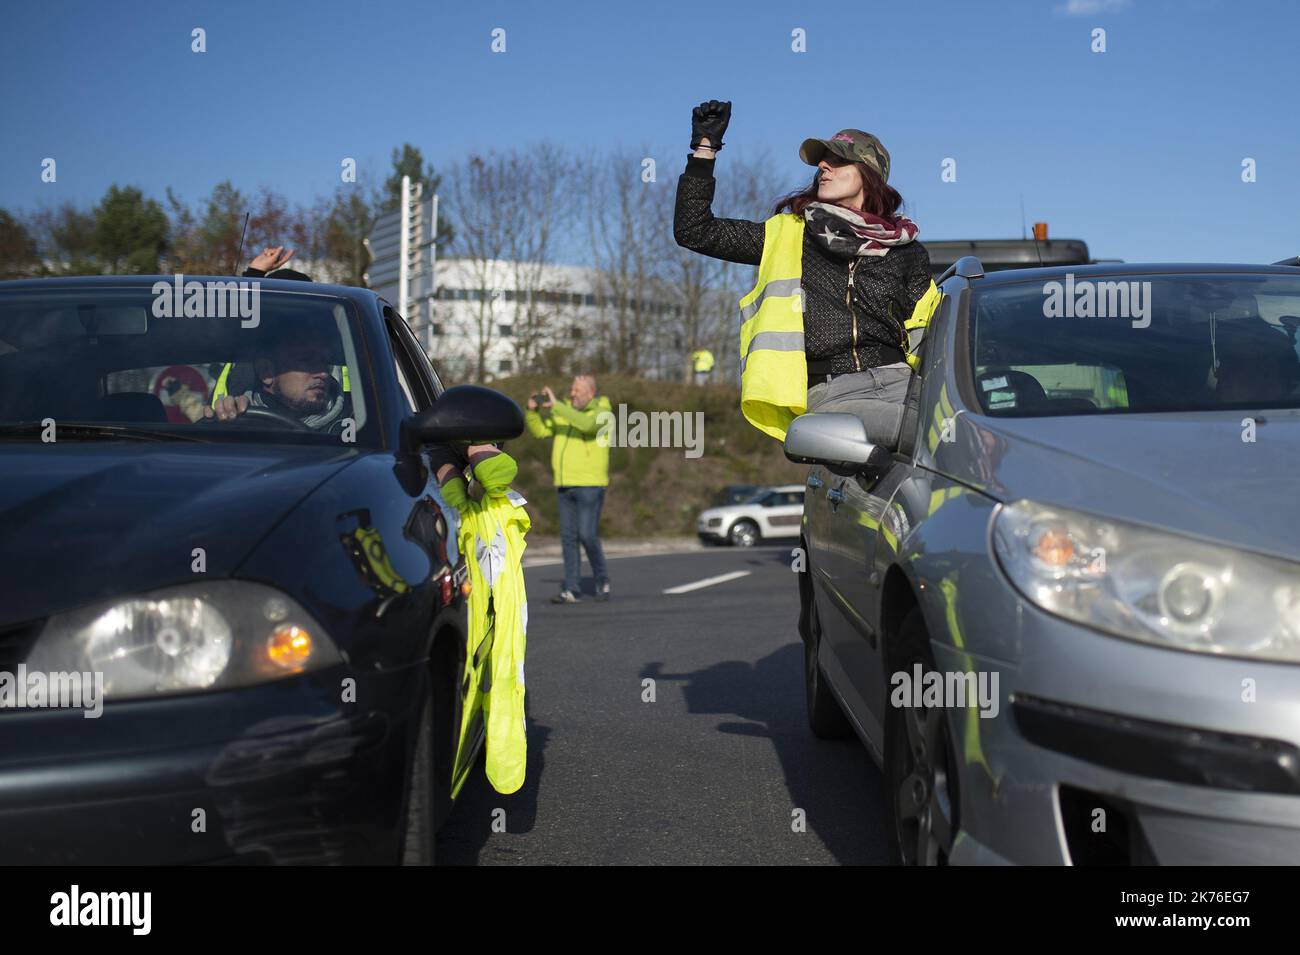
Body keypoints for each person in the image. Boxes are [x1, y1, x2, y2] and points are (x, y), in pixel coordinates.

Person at [674, 100, 941, 447]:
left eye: (838, 159)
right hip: (834, 394)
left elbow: (929, 329)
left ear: (869, 174)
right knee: (934, 435)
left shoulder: (906, 250)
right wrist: (705, 148)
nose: (824, 167)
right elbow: (695, 230)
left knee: (973, 430)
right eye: (821, 163)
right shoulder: (788, 233)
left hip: (905, 384)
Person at [524, 375, 612, 603]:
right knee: (568, 538)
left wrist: (558, 407)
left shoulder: (603, 410)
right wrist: (532, 412)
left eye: (577, 390)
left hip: (590, 485)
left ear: (591, 393)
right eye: (572, 389)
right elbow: (541, 431)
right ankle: (572, 589)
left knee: (587, 535)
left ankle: (602, 578)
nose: (572, 393)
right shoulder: (564, 411)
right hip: (565, 484)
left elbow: (587, 425)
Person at [203, 331, 352, 433]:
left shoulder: (355, 423)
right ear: (266, 372)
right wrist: (218, 425)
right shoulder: (238, 421)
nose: (324, 373)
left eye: (326, 363)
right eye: (306, 361)